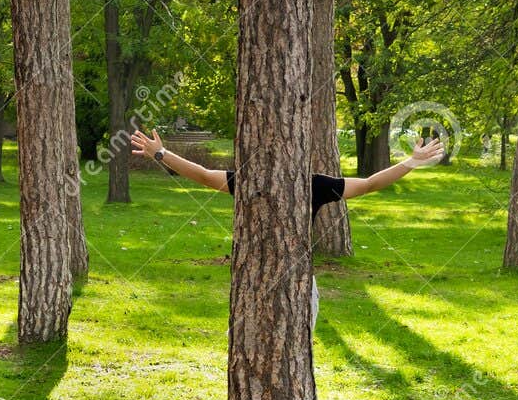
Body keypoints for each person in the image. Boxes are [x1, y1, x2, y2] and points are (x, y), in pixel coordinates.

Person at [129, 127, 443, 329]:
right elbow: (203, 175)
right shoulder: (250, 179)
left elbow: (370, 184)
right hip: (254, 282)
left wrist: (412, 162)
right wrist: (160, 153)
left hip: (299, 286)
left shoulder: (315, 185)